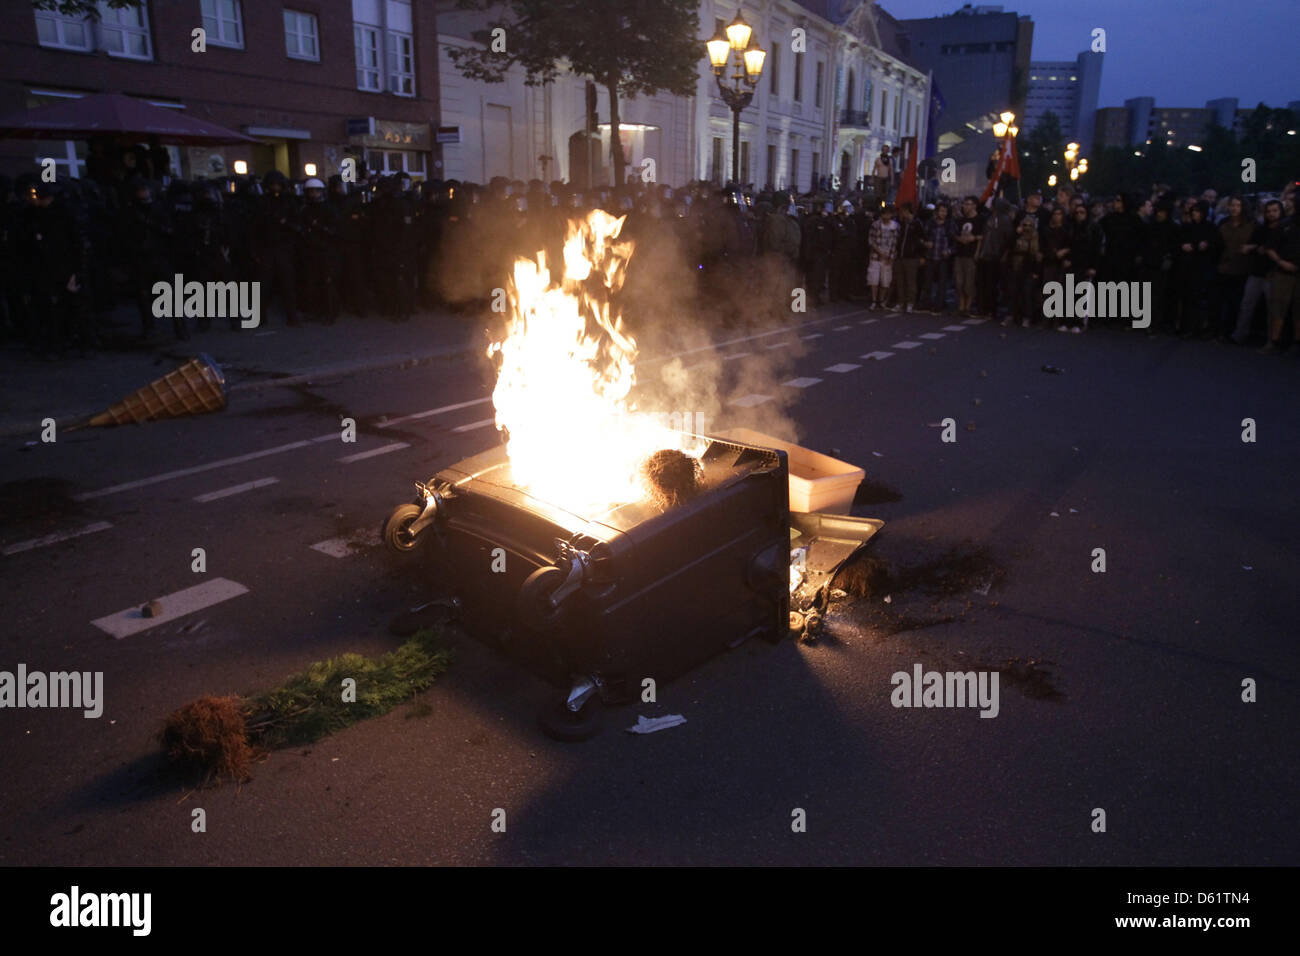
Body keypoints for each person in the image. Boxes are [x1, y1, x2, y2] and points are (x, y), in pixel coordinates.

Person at [251, 170, 301, 326]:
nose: (275, 187)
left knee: (287, 284)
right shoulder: (261, 202)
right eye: (273, 184)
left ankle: (292, 317)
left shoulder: (289, 202)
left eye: (277, 184)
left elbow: (296, 226)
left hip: (283, 248)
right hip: (267, 248)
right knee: (264, 285)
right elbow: (254, 228)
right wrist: (255, 250)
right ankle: (261, 317)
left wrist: (286, 224)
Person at [1231, 200, 1285, 344]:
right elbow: (1248, 248)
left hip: (1274, 273)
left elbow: (1271, 249)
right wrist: (1256, 248)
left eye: (1275, 211)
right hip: (1257, 272)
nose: (1272, 214)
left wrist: (1257, 248)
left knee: (1272, 309)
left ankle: (1271, 340)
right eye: (1268, 211)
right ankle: (1240, 334)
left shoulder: (1284, 229)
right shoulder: (1261, 229)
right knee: (1247, 304)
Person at [1214, 196, 1253, 343]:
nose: (1234, 208)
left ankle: (1234, 332)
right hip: (1224, 267)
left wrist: (1252, 247)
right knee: (1222, 301)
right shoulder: (1223, 223)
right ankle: (1221, 331)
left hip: (1243, 268)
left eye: (1237, 205)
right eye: (1232, 205)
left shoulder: (1251, 224)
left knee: (1237, 303)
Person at [1007, 212, 1041, 328]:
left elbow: (1036, 256)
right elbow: (1009, 246)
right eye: (1024, 225)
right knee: (1013, 293)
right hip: (1015, 266)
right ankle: (1013, 316)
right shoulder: (1017, 236)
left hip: (1028, 269)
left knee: (1027, 294)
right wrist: (1016, 234)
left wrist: (1036, 272)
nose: (1026, 227)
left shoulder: (1035, 238)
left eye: (1029, 225)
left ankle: (1027, 317)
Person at [920, 201, 953, 313]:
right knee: (927, 281)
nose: (943, 213)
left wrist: (949, 250)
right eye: (941, 211)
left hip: (943, 257)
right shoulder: (930, 223)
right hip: (930, 255)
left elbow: (954, 241)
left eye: (945, 211)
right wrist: (925, 244)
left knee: (942, 283)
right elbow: (922, 236)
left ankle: (939, 304)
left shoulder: (950, 224)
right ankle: (926, 303)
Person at [951, 196, 982, 316]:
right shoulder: (960, 220)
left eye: (968, 204)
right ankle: (961, 305)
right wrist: (960, 238)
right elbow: (954, 234)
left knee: (969, 282)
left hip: (971, 254)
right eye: (964, 204)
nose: (965, 206)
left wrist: (974, 241)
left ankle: (968, 306)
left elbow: (982, 236)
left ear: (974, 205)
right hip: (960, 253)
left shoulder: (980, 219)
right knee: (959, 282)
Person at [867, 203, 899, 309]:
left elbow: (895, 243)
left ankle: (881, 300)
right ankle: (874, 300)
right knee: (874, 279)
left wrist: (891, 256)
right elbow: (871, 241)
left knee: (885, 281)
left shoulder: (895, 226)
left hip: (888, 257)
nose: (886, 217)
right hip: (876, 256)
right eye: (884, 214)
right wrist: (880, 252)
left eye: (888, 214)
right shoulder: (875, 225)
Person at [895, 203, 925, 313]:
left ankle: (910, 303)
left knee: (911, 281)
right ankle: (900, 302)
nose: (901, 214)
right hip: (900, 255)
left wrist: (921, 256)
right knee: (900, 281)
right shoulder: (900, 224)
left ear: (907, 211)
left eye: (902, 211)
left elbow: (922, 240)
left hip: (912, 257)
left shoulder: (917, 224)